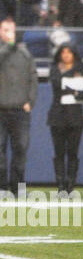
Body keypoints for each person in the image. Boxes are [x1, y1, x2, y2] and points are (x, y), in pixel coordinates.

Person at [48, 43, 83, 196]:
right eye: (63, 52)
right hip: (57, 116)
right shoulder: (54, 69)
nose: (66, 55)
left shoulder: (82, 69)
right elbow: (56, 85)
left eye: (69, 52)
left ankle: (70, 184)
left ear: (74, 54)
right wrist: (73, 87)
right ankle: (60, 185)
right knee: (59, 152)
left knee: (73, 152)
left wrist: (72, 89)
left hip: (75, 117)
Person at [0, 18, 38, 196]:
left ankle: (17, 189)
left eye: (12, 30)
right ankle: (1, 188)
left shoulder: (25, 53)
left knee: (20, 149)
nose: (9, 34)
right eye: (6, 30)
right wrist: (8, 46)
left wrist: (31, 101)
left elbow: (33, 77)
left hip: (20, 112)